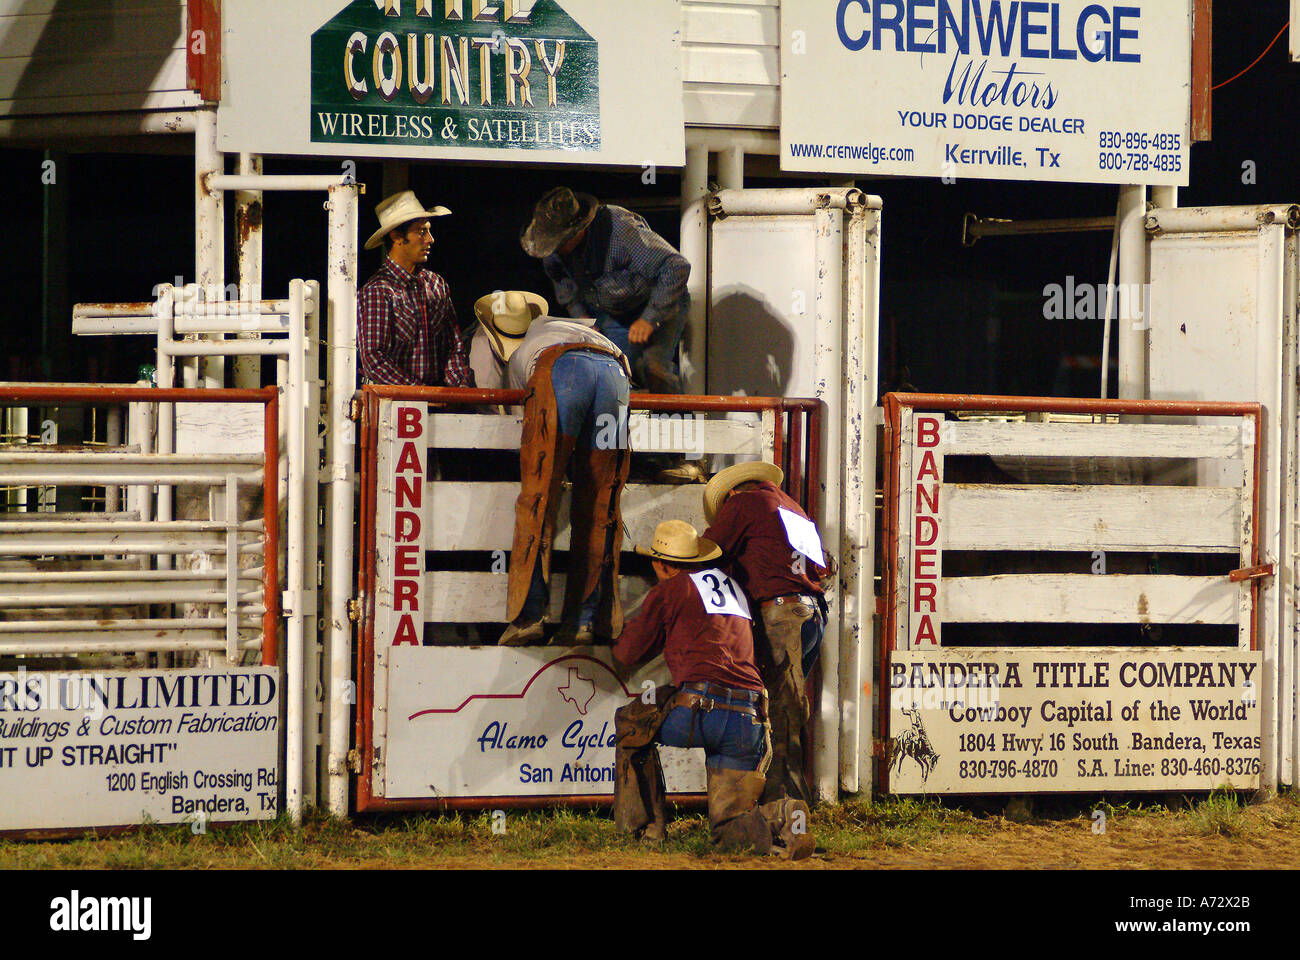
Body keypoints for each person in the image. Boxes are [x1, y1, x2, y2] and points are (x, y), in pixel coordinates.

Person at [611, 519, 814, 859]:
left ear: (661, 564)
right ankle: (784, 815)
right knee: (729, 829)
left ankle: (647, 829)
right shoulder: (735, 588)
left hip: (697, 712)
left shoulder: (669, 590)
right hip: (748, 719)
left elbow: (627, 653)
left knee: (631, 723)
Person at [520, 186, 703, 483]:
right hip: (611, 310)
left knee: (654, 366)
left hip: (657, 299)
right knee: (608, 375)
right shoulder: (554, 253)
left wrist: (650, 318)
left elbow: (675, 266)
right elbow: (566, 288)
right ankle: (618, 458)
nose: (555, 247)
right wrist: (583, 322)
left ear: (578, 230)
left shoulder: (621, 230)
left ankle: (685, 457)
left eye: (559, 241)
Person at [499, 306, 633, 647]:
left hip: (560, 371)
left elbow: (516, 423)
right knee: (603, 502)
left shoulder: (525, 352)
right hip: (615, 372)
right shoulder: (591, 334)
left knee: (539, 494)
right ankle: (585, 619)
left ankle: (529, 616)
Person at [702, 462, 831, 805]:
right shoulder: (793, 508)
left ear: (731, 494)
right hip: (812, 611)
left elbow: (708, 550)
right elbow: (821, 566)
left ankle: (783, 805)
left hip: (782, 613)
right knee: (788, 704)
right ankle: (788, 800)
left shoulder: (743, 504)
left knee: (779, 709)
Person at [357, 190, 472, 387]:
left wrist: (458, 387)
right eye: (421, 231)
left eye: (428, 231)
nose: (430, 239)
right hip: (393, 405)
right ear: (397, 237)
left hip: (432, 399)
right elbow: (375, 359)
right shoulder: (378, 291)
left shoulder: (436, 284)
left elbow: (454, 346)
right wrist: (419, 392)